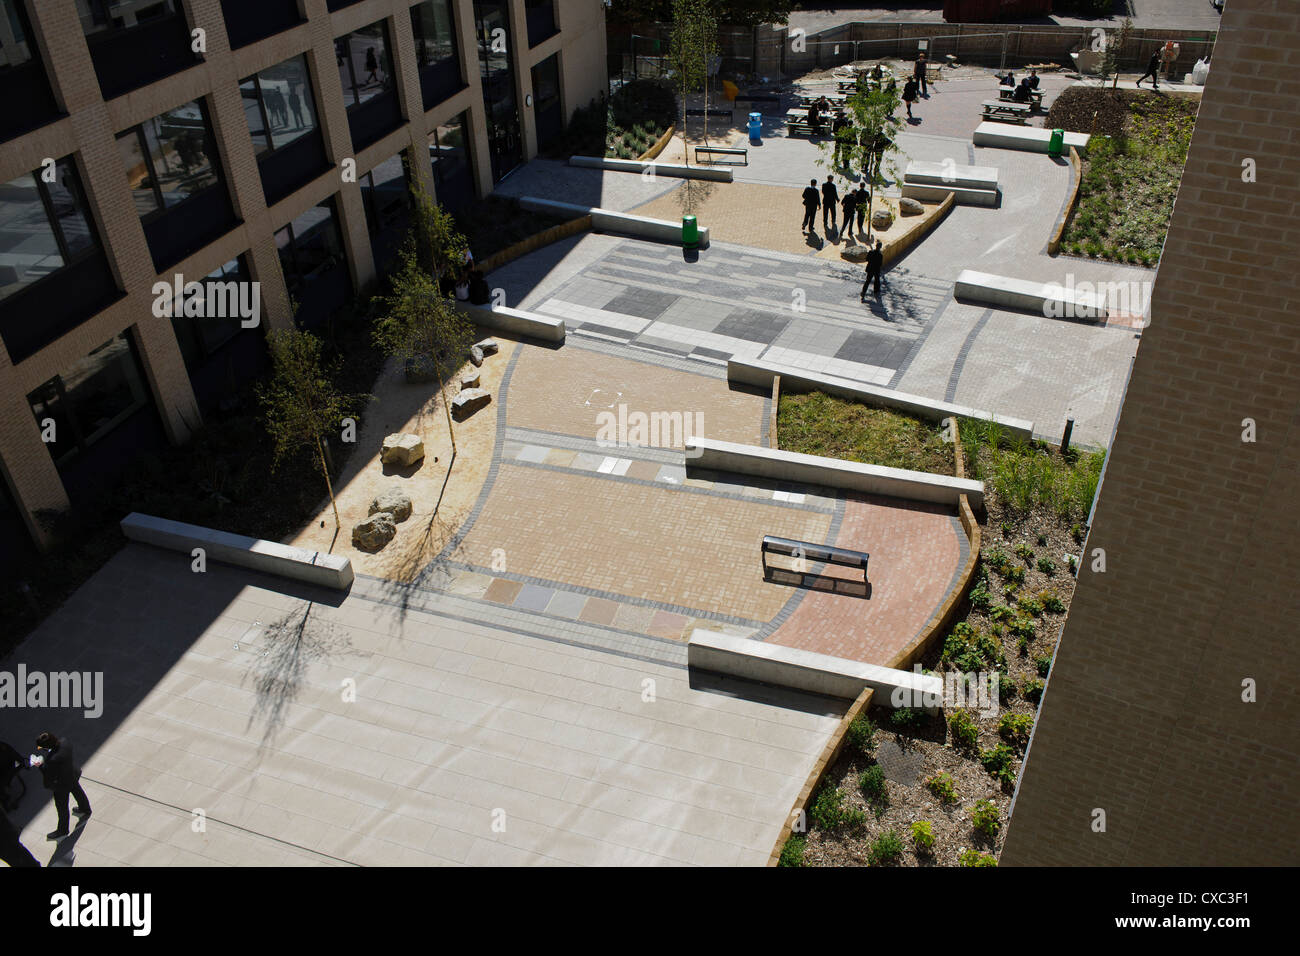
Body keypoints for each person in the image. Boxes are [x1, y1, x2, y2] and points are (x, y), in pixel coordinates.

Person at [31, 732, 90, 841]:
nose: (40, 749)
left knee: (62, 807)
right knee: (78, 791)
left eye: (41, 747)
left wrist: (40, 765)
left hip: (61, 784)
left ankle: (62, 830)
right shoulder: (65, 742)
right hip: (72, 775)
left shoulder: (52, 760)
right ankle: (85, 809)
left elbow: (48, 773)